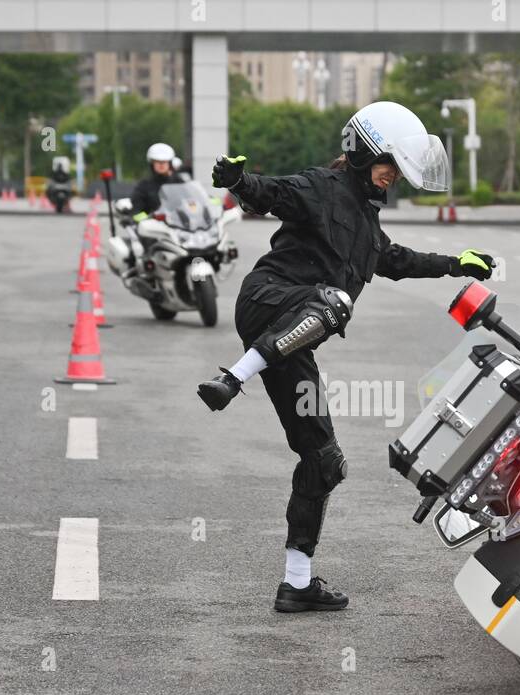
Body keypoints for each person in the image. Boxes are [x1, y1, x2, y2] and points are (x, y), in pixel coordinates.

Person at [196, 100, 496, 613]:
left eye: (399, 169)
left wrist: (455, 263)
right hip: (271, 299)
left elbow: (396, 260)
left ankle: (296, 583)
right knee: (335, 300)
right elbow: (274, 194)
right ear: (361, 153)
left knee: (323, 460)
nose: (392, 176)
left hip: (297, 333)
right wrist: (239, 182)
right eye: (388, 164)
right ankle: (232, 378)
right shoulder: (323, 187)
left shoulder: (365, 219)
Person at [127, 142, 177, 221]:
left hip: (178, 226)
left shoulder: (179, 182)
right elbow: (136, 212)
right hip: (152, 228)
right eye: (157, 161)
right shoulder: (143, 186)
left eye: (164, 161)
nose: (161, 164)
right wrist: (150, 217)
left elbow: (189, 204)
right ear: (152, 163)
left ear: (170, 163)